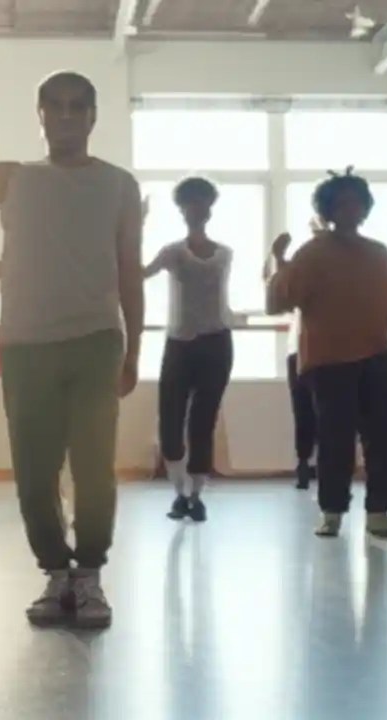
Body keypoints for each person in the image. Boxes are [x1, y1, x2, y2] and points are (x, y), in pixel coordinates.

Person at [0, 63, 143, 630]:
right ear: (40, 116)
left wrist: (134, 348)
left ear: (93, 116)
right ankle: (56, 573)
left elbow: (128, 271)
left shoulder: (119, 184)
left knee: (94, 468)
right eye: (56, 106)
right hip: (27, 346)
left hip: (96, 341)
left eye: (78, 106)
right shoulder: (13, 178)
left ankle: (89, 574)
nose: (66, 116)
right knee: (34, 470)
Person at [265, 169, 387, 540]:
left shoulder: (378, 253)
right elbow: (278, 302)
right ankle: (332, 511)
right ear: (329, 209)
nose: (350, 208)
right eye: (341, 202)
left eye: (356, 202)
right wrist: (278, 260)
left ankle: (379, 511)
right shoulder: (313, 253)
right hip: (328, 363)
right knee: (335, 441)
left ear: (365, 207)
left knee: (385, 436)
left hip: (376, 356)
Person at [143, 177, 234, 522]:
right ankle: (179, 492)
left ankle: (196, 495)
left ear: (210, 208)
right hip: (180, 343)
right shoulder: (172, 252)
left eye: (203, 203)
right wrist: (134, 227)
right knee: (170, 421)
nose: (198, 209)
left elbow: (221, 301)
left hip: (217, 341)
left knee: (203, 421)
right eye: (191, 204)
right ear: (181, 210)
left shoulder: (225, 253)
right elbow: (138, 274)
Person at [267, 231, 317, 490]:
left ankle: (317, 462)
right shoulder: (297, 270)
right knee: (303, 409)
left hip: (327, 350)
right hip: (299, 348)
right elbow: (274, 294)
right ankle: (304, 462)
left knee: (326, 411)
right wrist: (277, 256)